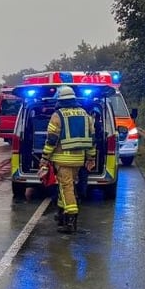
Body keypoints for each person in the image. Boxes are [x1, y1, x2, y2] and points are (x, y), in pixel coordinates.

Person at [38, 85, 96, 234]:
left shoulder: (58, 116)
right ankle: (61, 213)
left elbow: (51, 140)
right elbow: (92, 139)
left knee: (66, 188)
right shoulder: (85, 114)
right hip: (79, 160)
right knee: (66, 186)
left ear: (60, 100)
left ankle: (70, 220)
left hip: (62, 160)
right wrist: (91, 158)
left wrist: (44, 158)